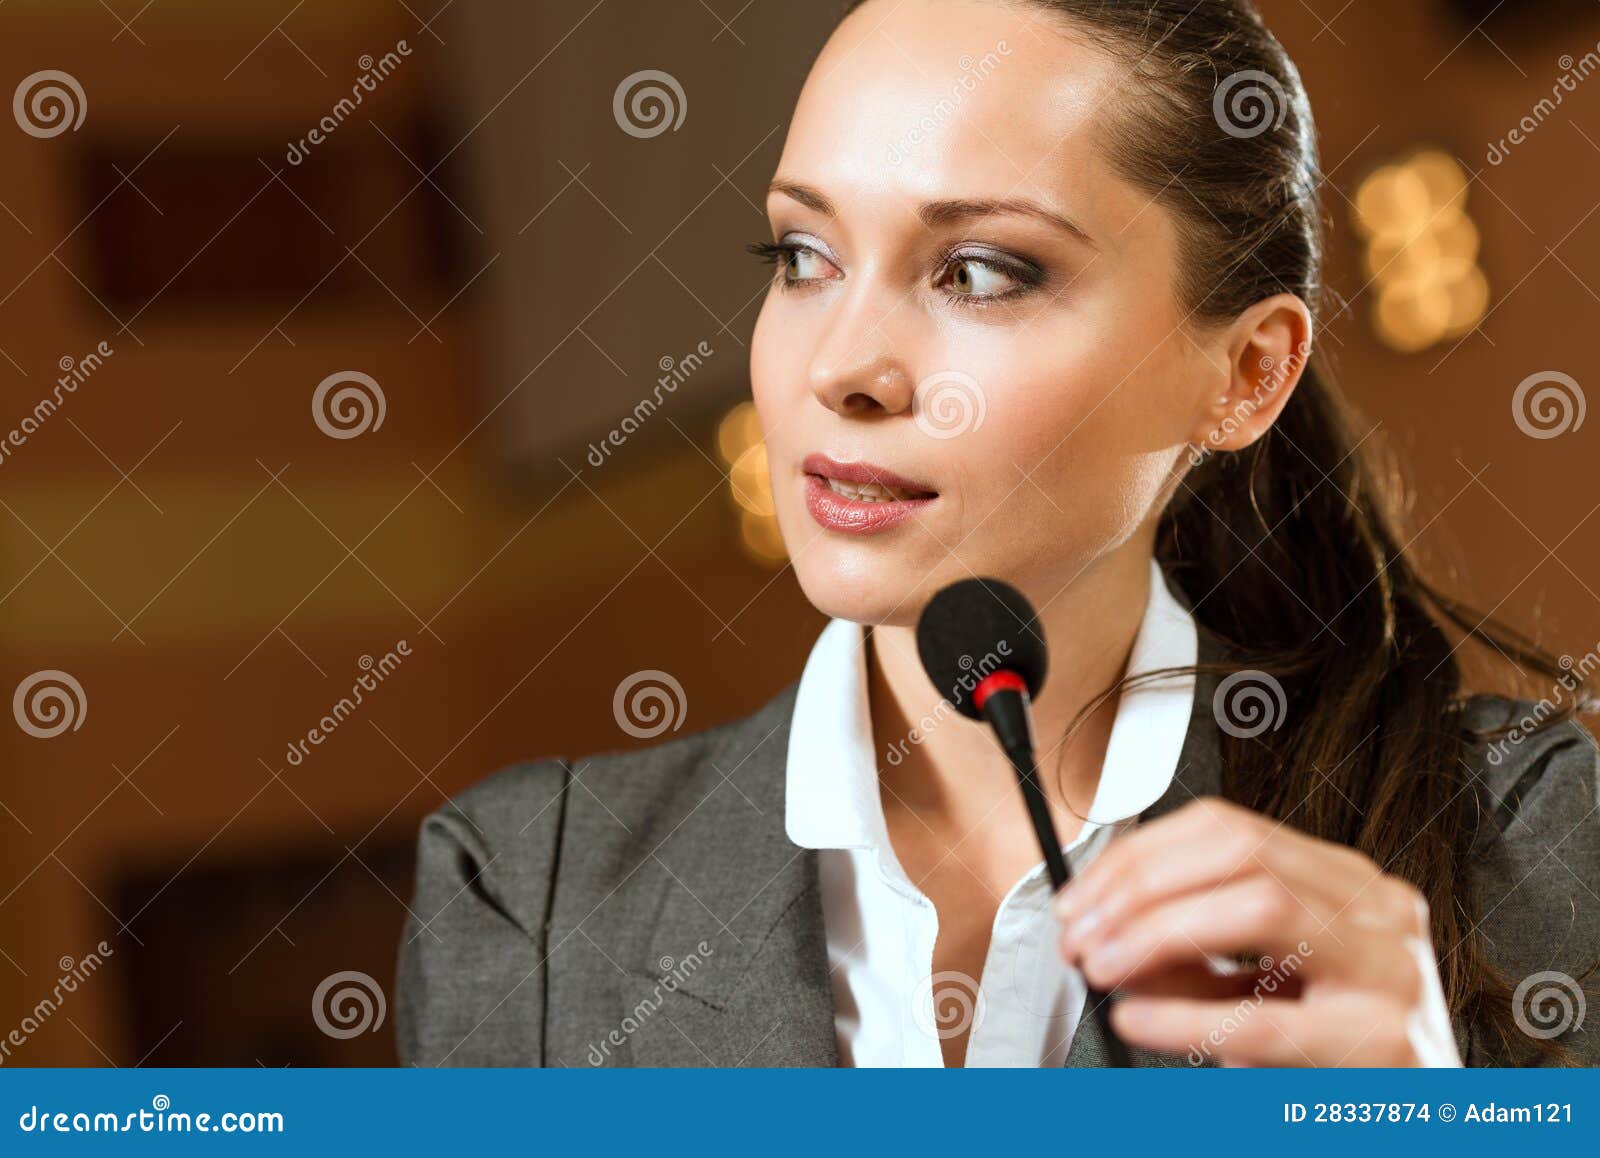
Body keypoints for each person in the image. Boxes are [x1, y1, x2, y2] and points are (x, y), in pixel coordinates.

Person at [395, 0, 1599, 1068]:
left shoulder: (1521, 842)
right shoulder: (526, 900)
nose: (844, 367)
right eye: (802, 257)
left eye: (978, 272)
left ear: (1243, 373)